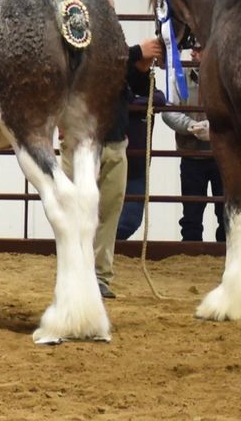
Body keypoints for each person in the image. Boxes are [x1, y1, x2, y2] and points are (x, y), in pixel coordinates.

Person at [94, 32, 165, 299]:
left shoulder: (117, 56)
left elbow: (141, 92)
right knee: (85, 213)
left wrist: (141, 70)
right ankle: (80, 272)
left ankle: (100, 276)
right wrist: (136, 54)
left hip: (115, 142)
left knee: (110, 214)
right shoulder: (82, 46)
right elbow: (97, 68)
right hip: (86, 143)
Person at [164, 108, 227, 243]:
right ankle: (193, 248)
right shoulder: (179, 85)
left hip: (221, 155)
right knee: (192, 212)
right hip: (193, 156)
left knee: (225, 211)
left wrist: (214, 126)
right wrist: (190, 125)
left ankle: (224, 248)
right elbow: (168, 111)